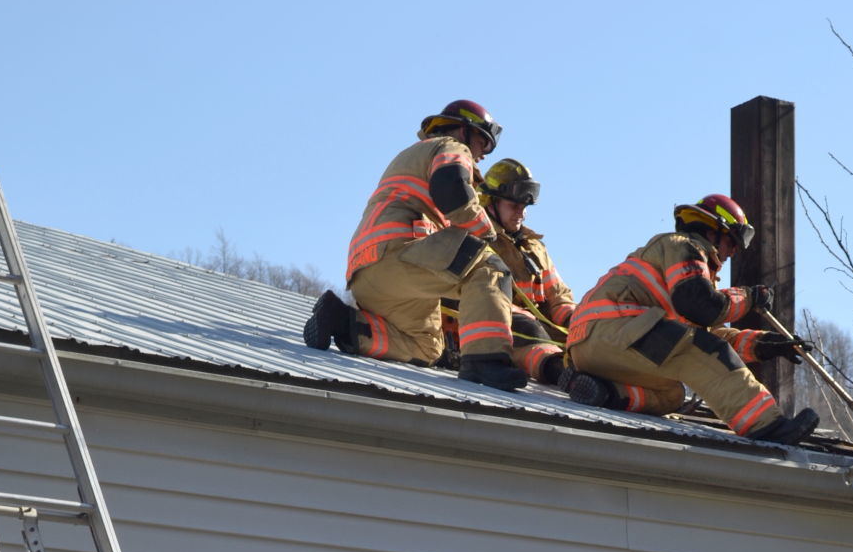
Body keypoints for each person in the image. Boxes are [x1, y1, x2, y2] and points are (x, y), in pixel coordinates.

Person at [303, 101, 527, 392]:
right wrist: (488, 234)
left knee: (428, 346)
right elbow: (453, 190)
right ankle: (486, 363)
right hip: (399, 253)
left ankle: (346, 324)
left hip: (366, 275)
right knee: (490, 267)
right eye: (483, 142)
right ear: (463, 130)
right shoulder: (450, 146)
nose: (482, 154)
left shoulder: (409, 157)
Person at [564, 194, 820, 445]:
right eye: (731, 242)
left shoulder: (678, 270)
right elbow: (701, 307)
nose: (732, 252)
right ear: (712, 232)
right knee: (700, 350)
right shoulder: (683, 246)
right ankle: (766, 425)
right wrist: (749, 297)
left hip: (590, 349)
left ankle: (606, 392)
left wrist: (762, 343)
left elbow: (707, 333)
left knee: (671, 394)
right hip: (613, 330)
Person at [478, 159, 574, 387]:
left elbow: (558, 297)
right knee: (530, 330)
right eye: (514, 206)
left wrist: (577, 322)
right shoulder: (476, 239)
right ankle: (560, 372)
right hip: (500, 327)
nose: (521, 214)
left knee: (587, 341)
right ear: (490, 203)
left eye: (524, 208)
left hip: (541, 329)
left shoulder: (534, 247)